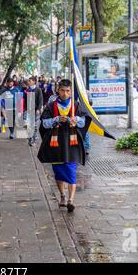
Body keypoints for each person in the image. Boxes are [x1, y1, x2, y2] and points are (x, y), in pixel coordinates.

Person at [40, 79, 88, 213]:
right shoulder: (51, 106)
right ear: (58, 90)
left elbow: (84, 122)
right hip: (56, 143)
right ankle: (62, 195)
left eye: (68, 91)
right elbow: (44, 123)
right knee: (59, 171)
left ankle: (71, 200)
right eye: (62, 90)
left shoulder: (77, 106)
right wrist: (55, 119)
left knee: (71, 170)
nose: (65, 94)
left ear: (71, 91)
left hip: (72, 143)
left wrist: (76, 120)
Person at [24, 76, 43, 146]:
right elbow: (26, 100)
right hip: (29, 110)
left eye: (30, 81)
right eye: (28, 81)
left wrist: (38, 109)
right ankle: (30, 138)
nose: (28, 82)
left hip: (36, 111)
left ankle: (34, 140)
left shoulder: (38, 90)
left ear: (34, 82)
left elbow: (40, 100)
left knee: (35, 126)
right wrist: (25, 109)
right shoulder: (28, 90)